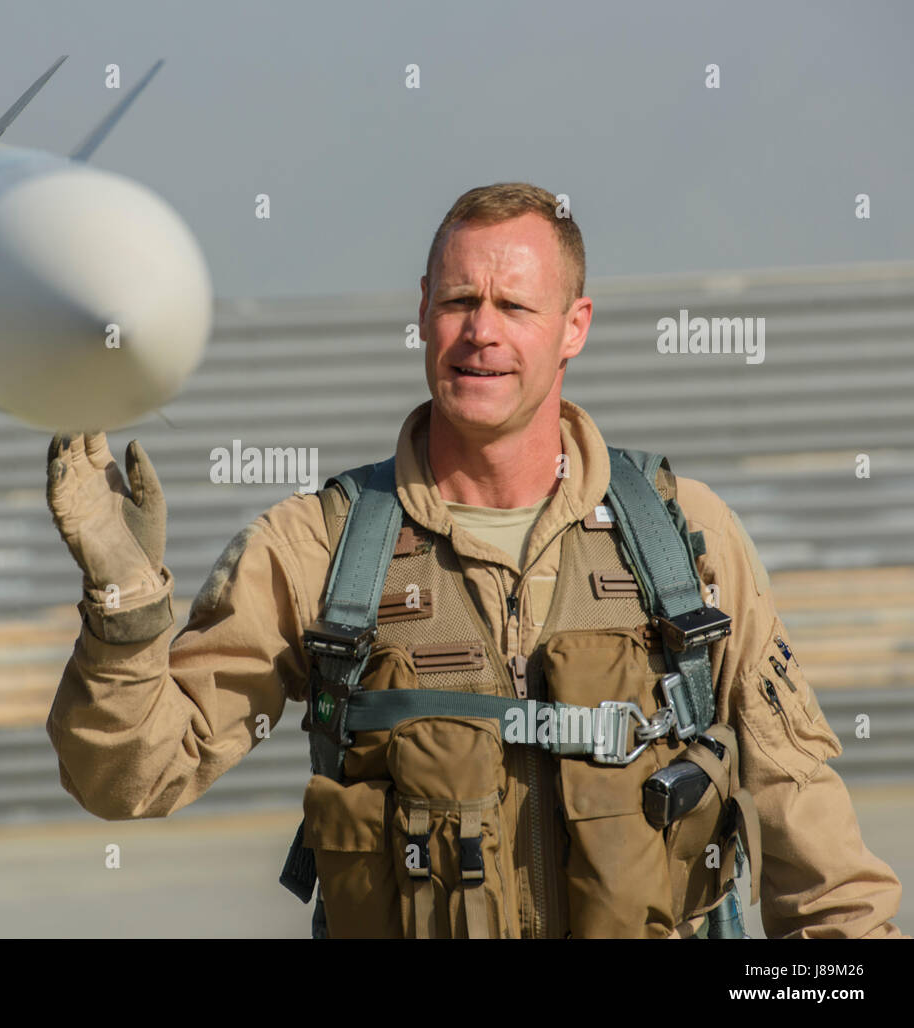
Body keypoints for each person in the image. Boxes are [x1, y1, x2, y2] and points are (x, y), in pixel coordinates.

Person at [45, 182, 904, 938]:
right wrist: (124, 602)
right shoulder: (320, 549)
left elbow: (802, 816)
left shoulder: (686, 541)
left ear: (574, 327)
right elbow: (132, 778)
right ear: (422, 310)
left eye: (515, 307)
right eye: (459, 300)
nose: (480, 332)